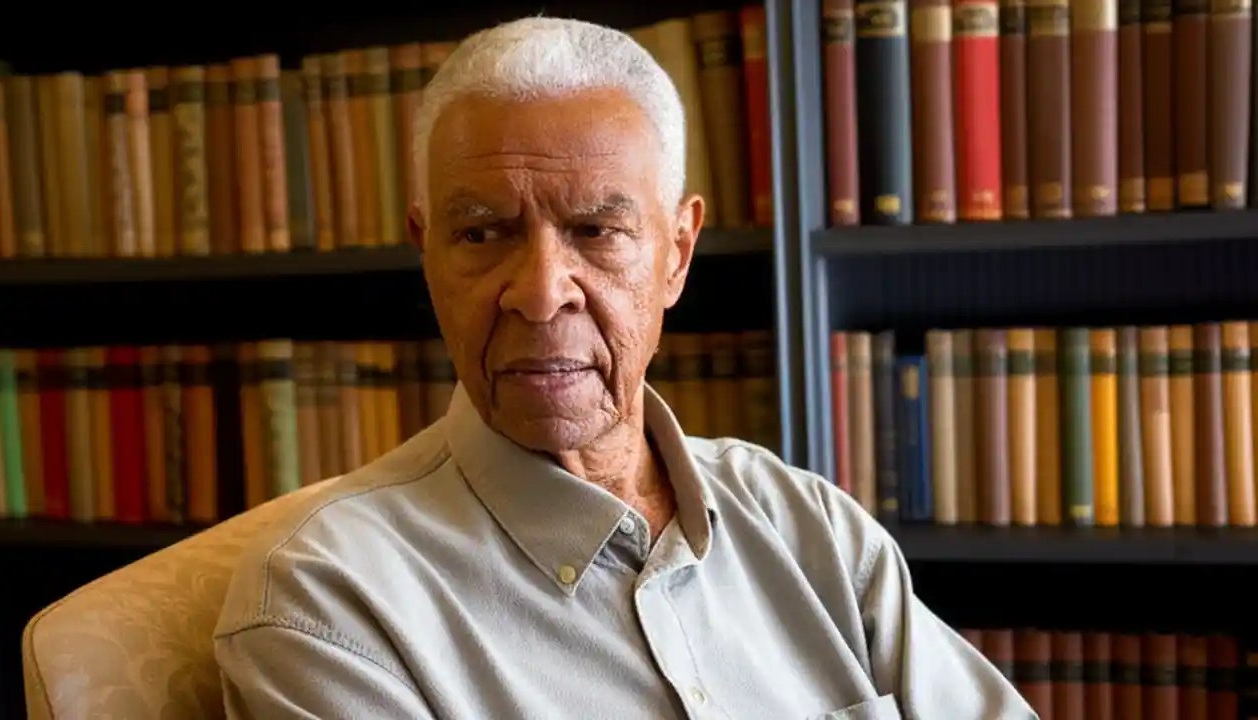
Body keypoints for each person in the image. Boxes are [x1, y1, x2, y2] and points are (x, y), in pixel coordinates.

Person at [212, 16, 1037, 720]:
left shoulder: (809, 526)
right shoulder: (326, 602)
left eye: (597, 232)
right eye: (482, 233)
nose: (539, 296)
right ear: (425, 252)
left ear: (677, 254)